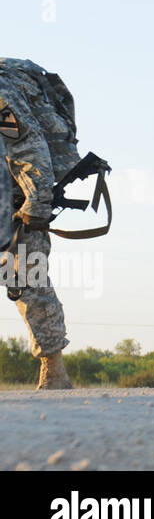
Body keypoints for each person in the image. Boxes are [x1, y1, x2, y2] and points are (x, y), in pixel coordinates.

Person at [0, 82, 71, 389]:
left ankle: (53, 368)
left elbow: (31, 147)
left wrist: (37, 204)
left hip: (18, 197)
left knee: (27, 276)